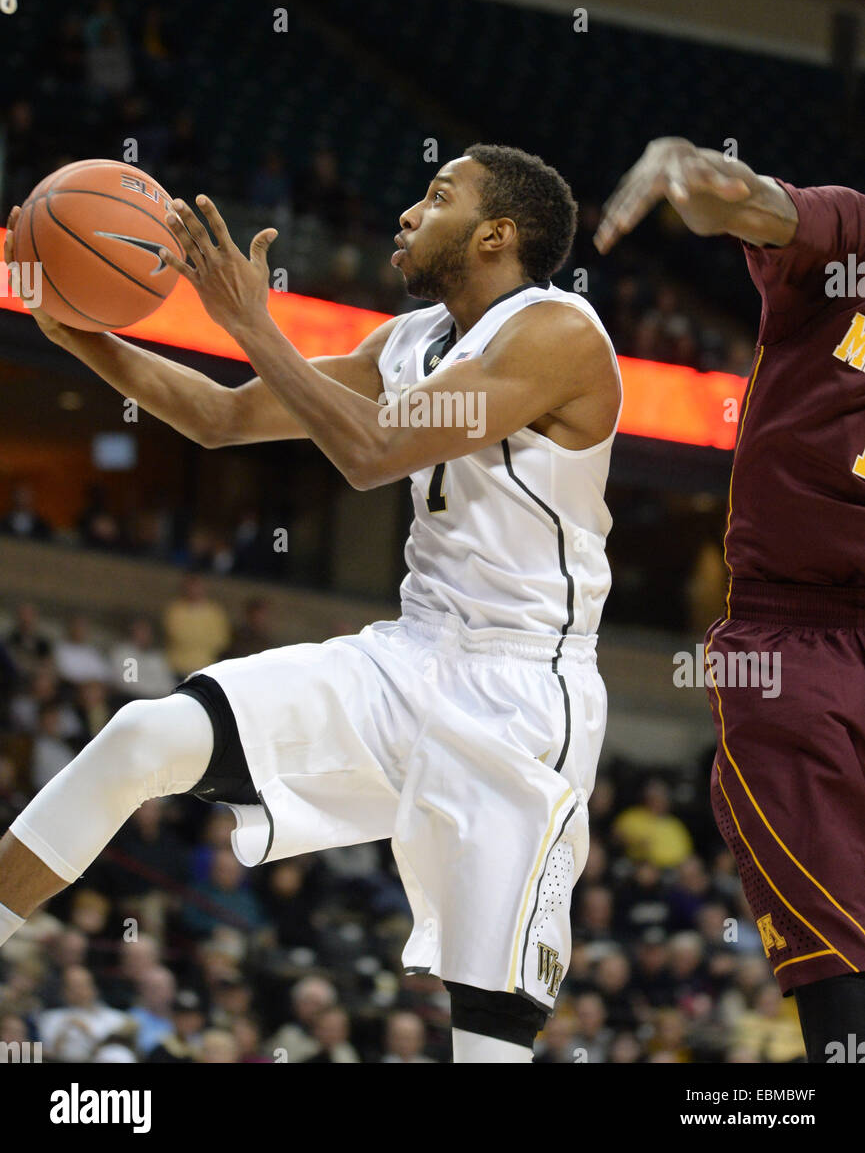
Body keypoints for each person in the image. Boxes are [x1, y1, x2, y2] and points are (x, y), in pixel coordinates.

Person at [0, 144, 621, 1064]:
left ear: (498, 234)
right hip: (407, 656)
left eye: (438, 196)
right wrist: (77, 331)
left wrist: (252, 321)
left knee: (487, 1048)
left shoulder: (557, 334)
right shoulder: (407, 341)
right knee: (141, 738)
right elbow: (220, 417)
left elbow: (374, 454)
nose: (409, 212)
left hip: (522, 701)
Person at [595, 135, 865, 1064]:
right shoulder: (850, 237)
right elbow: (749, 208)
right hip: (796, 637)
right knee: (838, 967)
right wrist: (695, 175)